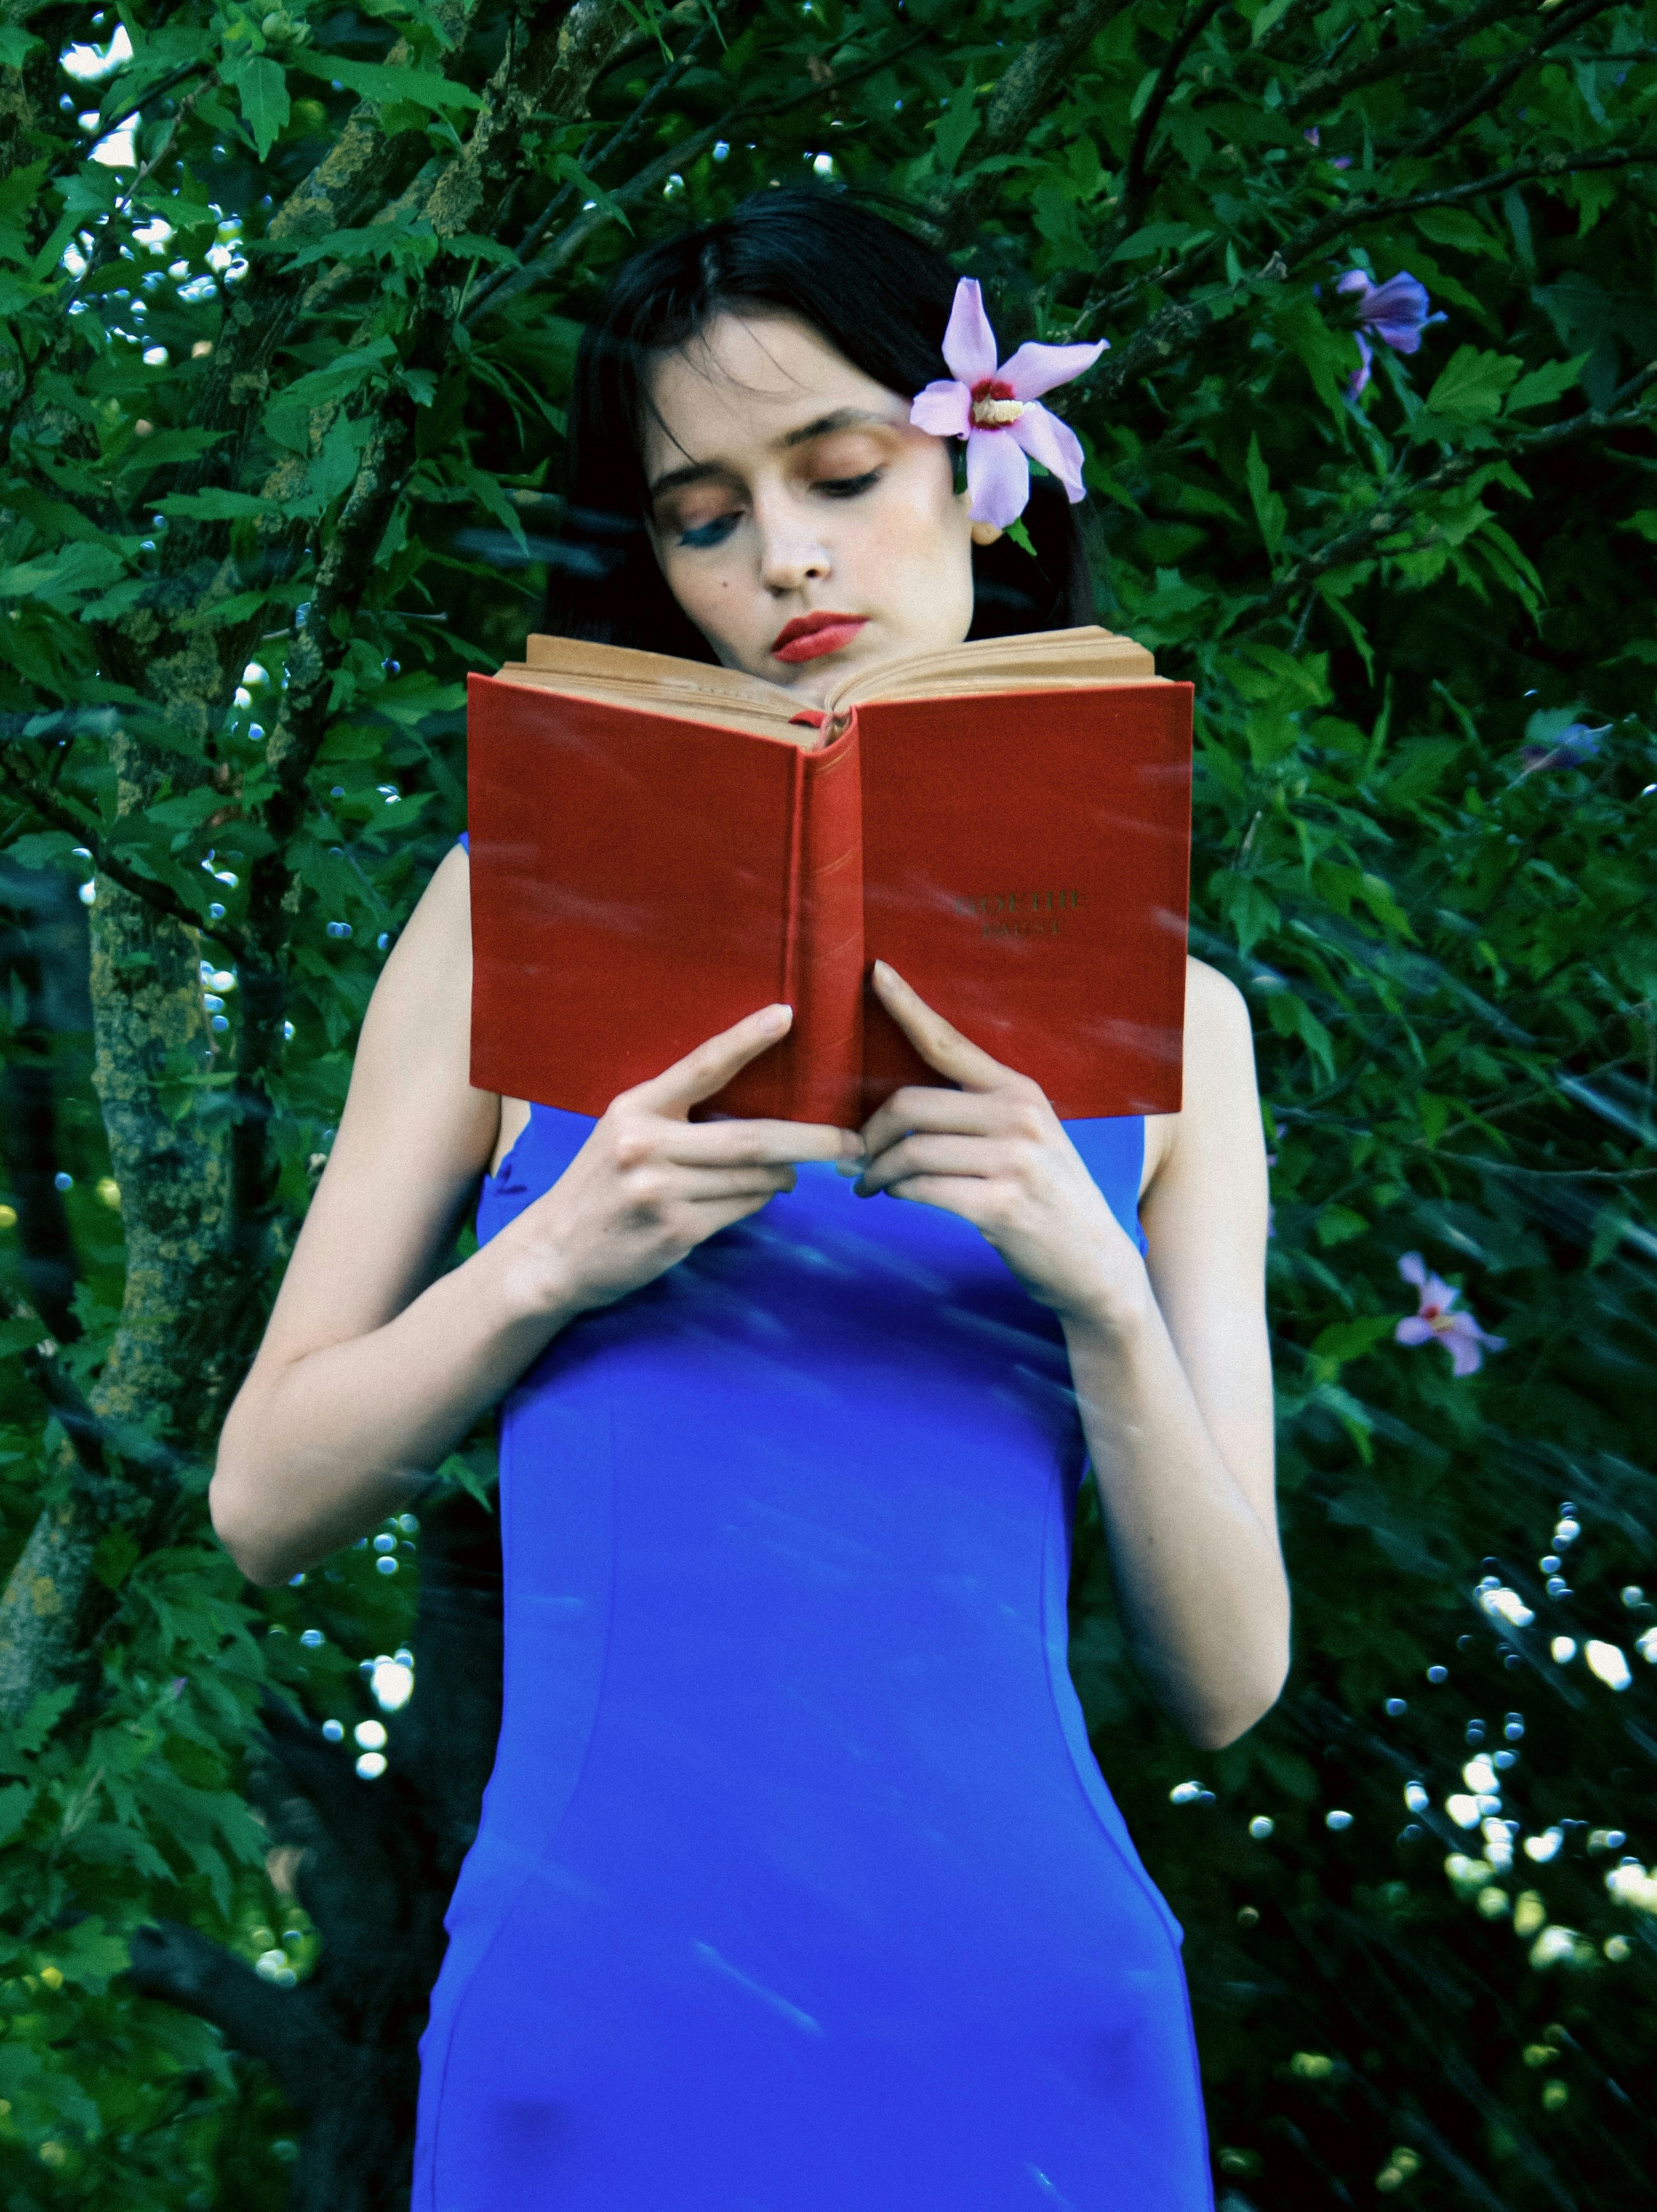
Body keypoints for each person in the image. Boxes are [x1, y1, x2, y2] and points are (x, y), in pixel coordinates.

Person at [210, 191, 1288, 2210]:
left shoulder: (1186, 1025)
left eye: (841, 468)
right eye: (704, 514)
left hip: (1025, 2010)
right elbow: (265, 1499)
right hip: (596, 2006)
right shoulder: (497, 917)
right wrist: (551, 1258)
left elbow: (1229, 1680)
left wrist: (1102, 1296)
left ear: (984, 469)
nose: (784, 553)